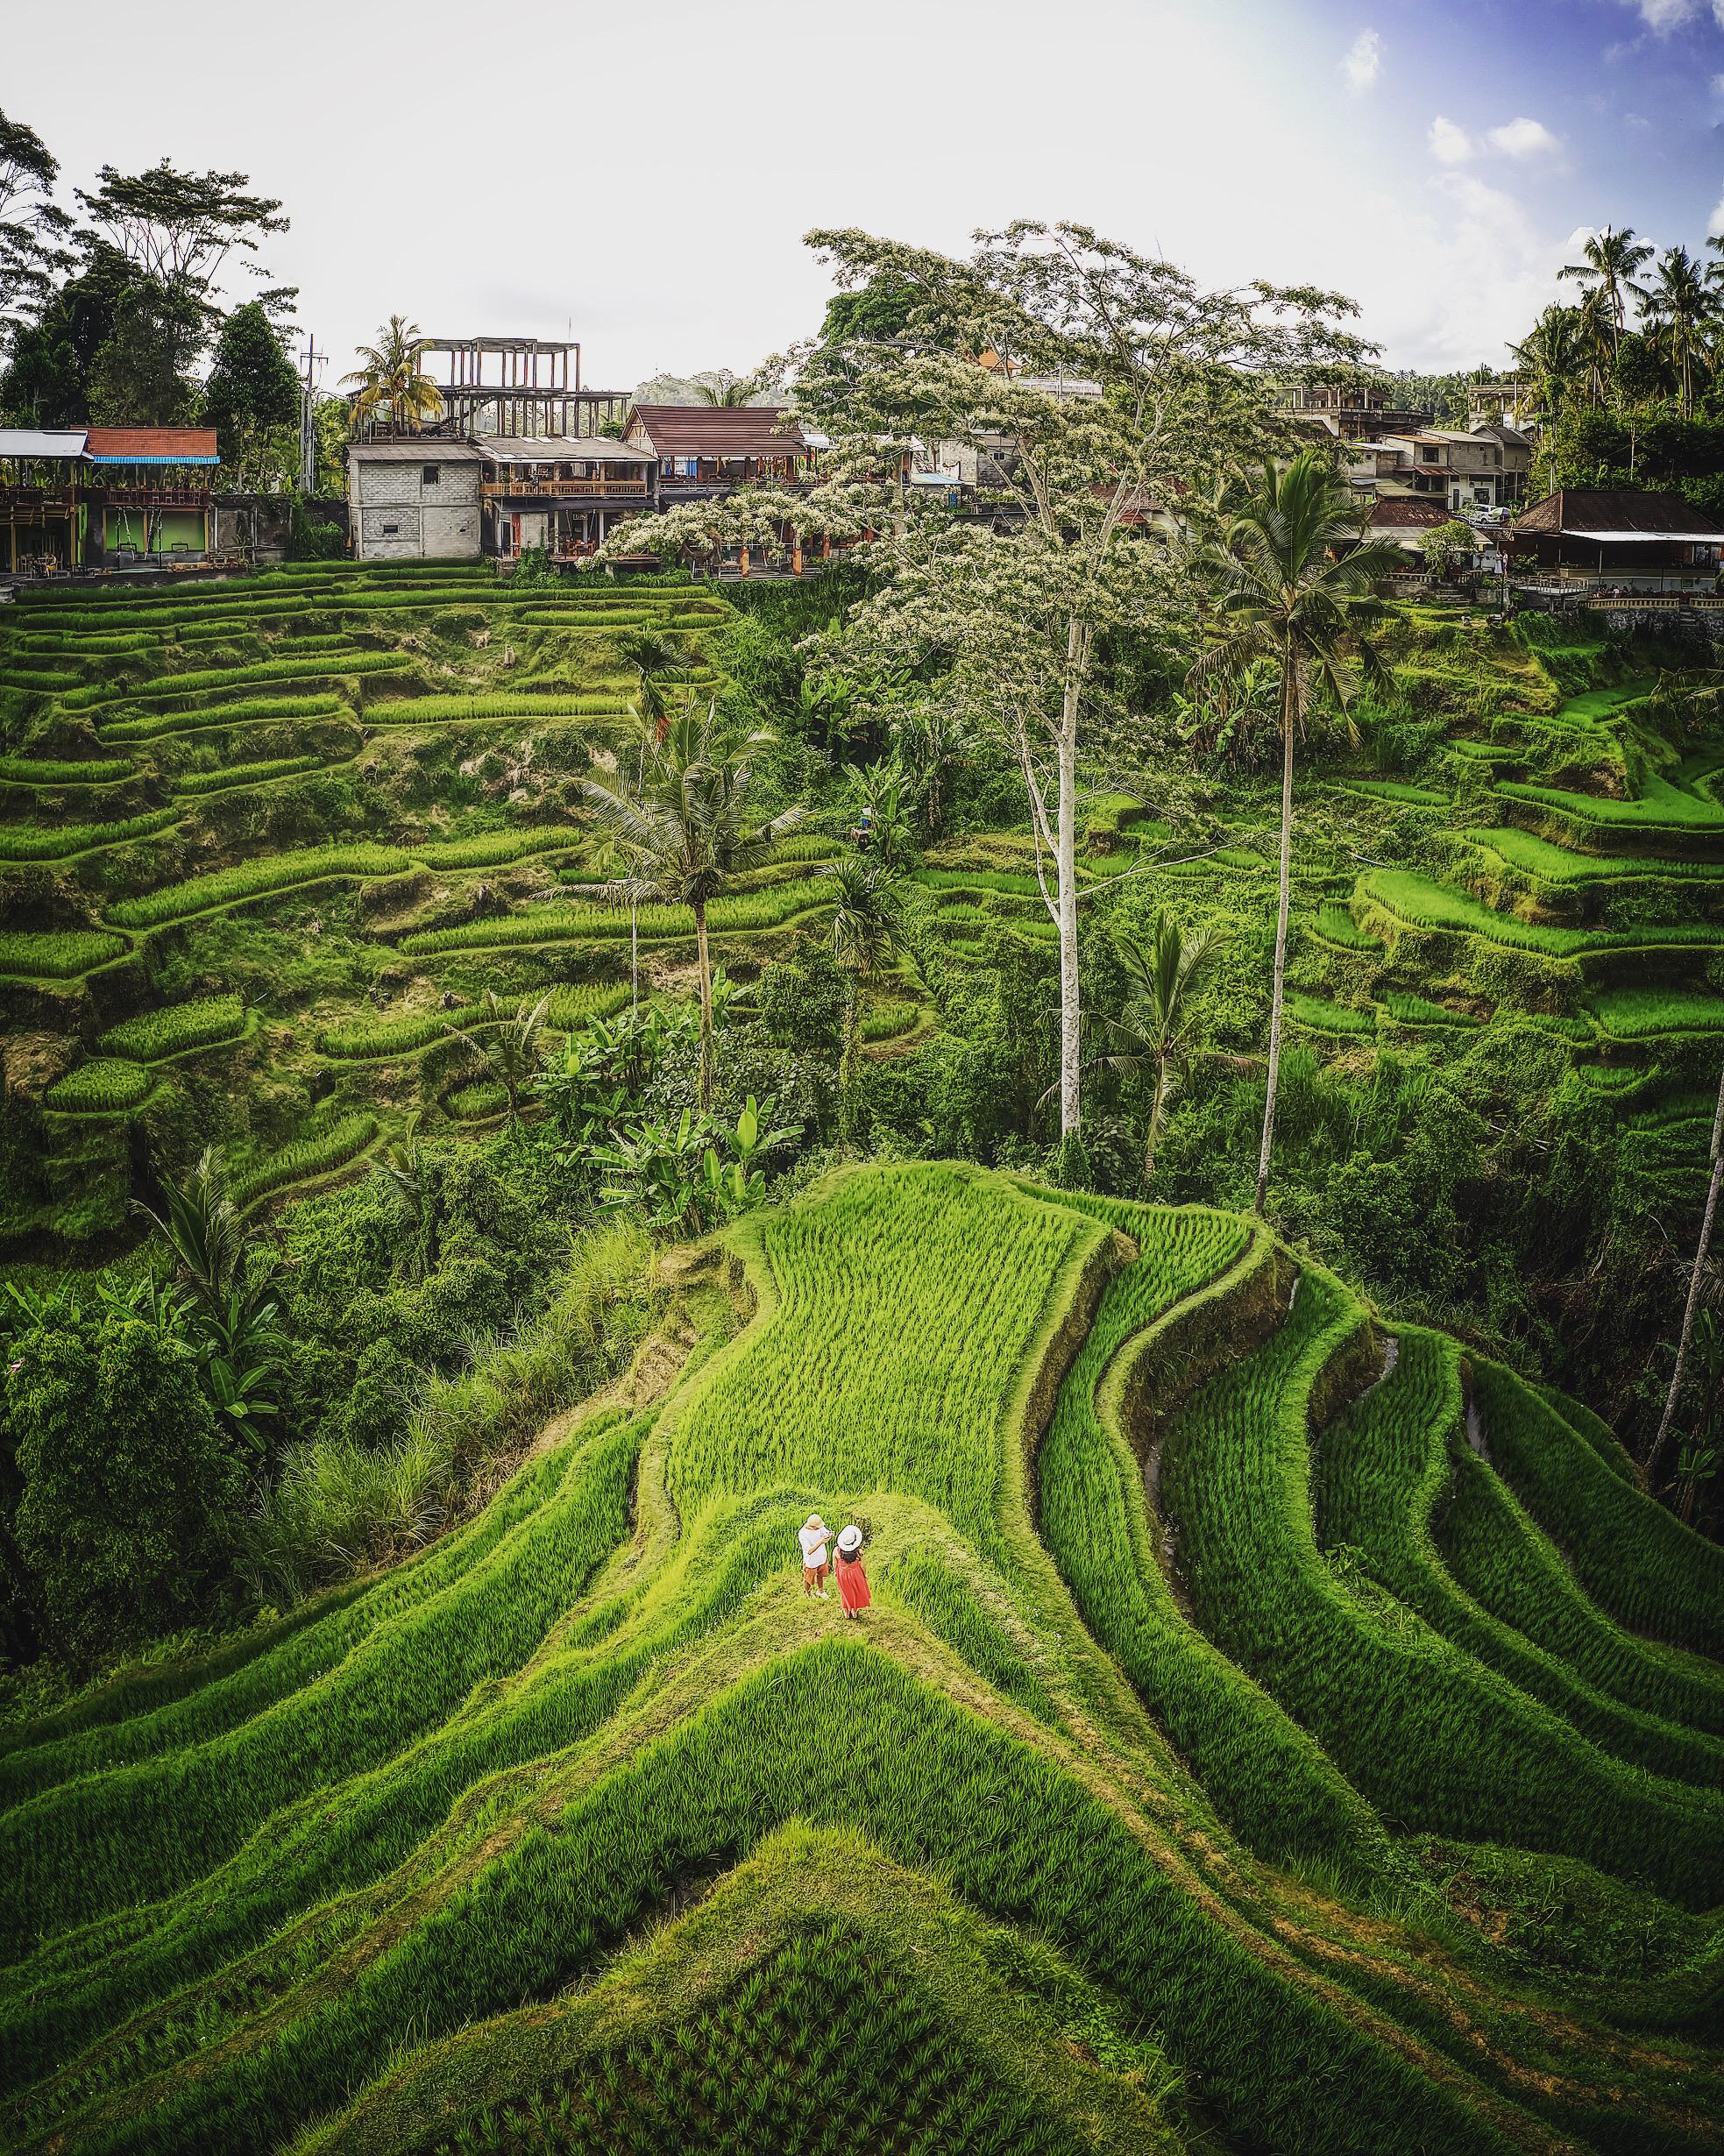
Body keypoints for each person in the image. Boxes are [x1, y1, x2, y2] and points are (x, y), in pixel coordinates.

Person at [834, 1523, 870, 1621]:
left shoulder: (836, 1551)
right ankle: (854, 1611)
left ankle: (846, 1612)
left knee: (845, 1592)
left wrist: (836, 1572)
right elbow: (862, 1565)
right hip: (856, 1573)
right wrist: (865, 1574)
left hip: (842, 1573)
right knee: (856, 1591)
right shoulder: (859, 1552)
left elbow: (835, 1563)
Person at [798, 1513, 832, 1598]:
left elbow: (825, 1532)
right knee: (808, 1579)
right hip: (811, 1562)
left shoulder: (819, 1527)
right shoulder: (803, 1534)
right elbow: (809, 1551)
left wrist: (829, 1535)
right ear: (813, 1527)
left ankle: (820, 1591)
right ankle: (808, 1594)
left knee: (820, 1575)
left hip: (822, 1557)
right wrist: (821, 1541)